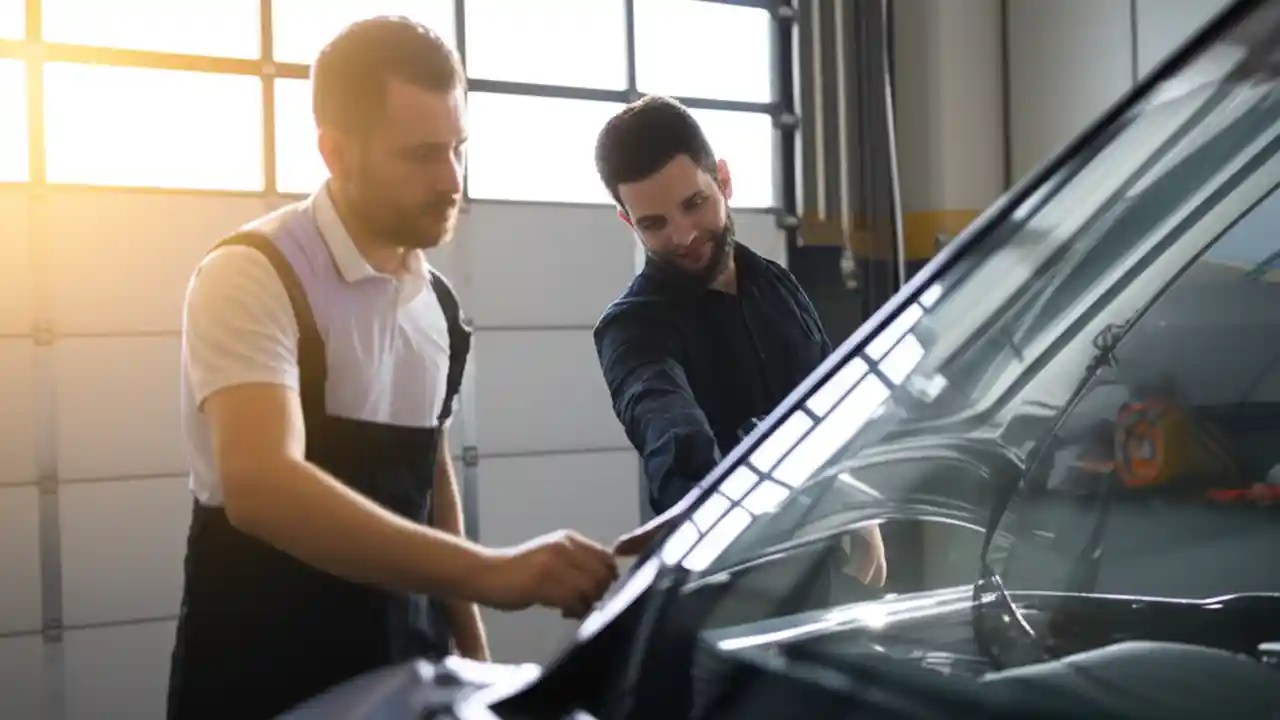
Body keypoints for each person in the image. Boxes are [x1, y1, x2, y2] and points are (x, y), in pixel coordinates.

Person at [168, 17, 617, 720]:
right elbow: (260, 484)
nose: (452, 179)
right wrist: (499, 573)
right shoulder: (252, 275)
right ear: (336, 152)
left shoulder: (435, 304)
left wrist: (476, 661)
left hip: (406, 681)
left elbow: (429, 485)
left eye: (457, 149)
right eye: (421, 154)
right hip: (262, 683)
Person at [592, 96, 885, 586]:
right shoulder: (632, 328)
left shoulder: (779, 286)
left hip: (827, 579)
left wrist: (861, 500)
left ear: (723, 181)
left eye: (694, 204)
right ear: (628, 221)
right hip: (721, 590)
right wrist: (700, 506)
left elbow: (832, 404)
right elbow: (666, 422)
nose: (682, 236)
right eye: (654, 224)